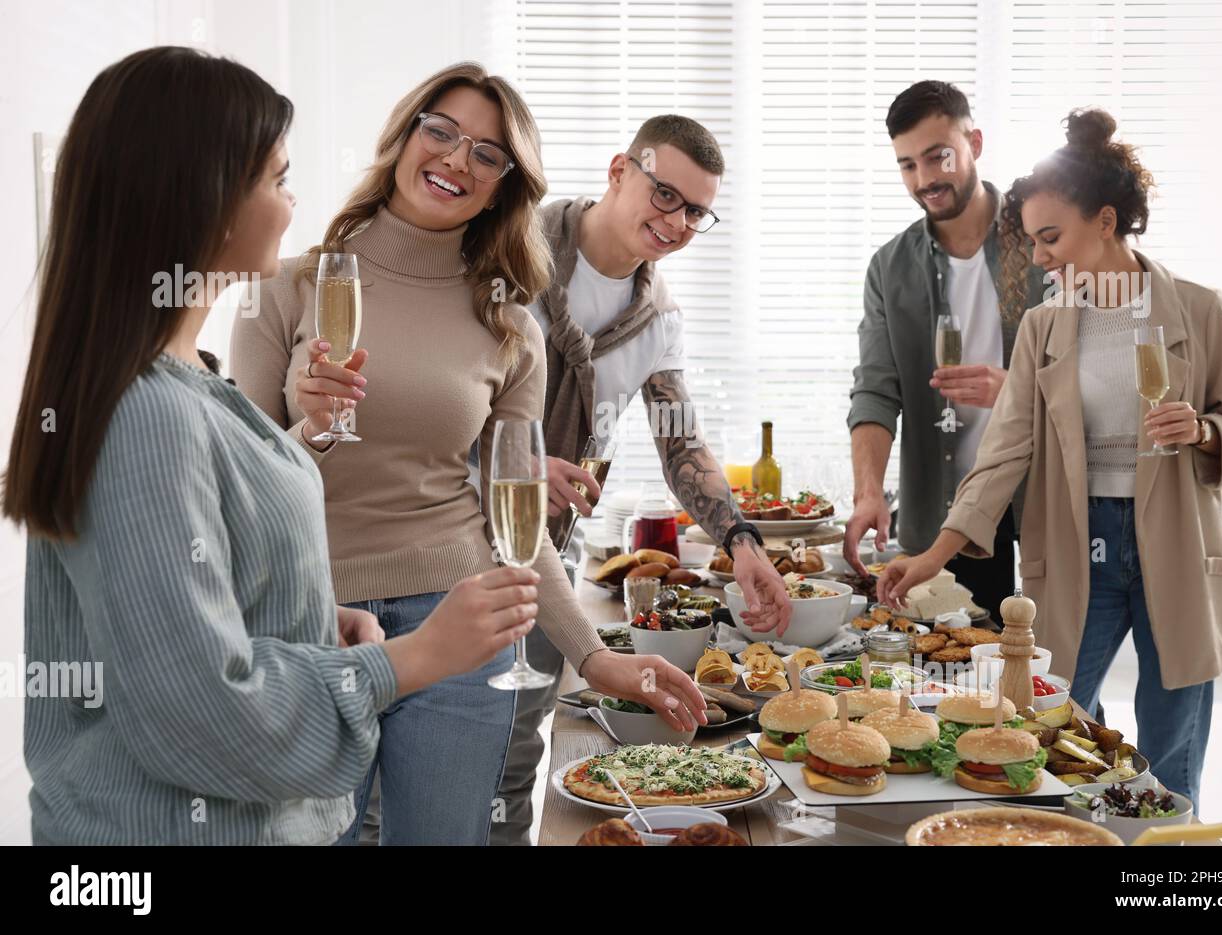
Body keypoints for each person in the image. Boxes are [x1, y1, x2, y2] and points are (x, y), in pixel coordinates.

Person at [6, 46, 541, 845]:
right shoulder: (148, 415)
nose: (293, 204)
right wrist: (408, 659)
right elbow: (199, 710)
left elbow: (194, 604)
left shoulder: (188, 384)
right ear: (209, 199)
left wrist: (308, 620)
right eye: (278, 179)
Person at [231, 62, 707, 845]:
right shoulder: (283, 288)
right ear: (404, 135)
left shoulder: (509, 325)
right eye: (441, 131)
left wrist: (594, 658)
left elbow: (514, 524)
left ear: (502, 187)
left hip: (461, 623)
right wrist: (307, 431)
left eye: (487, 154)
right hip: (310, 622)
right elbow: (240, 498)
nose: (457, 159)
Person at [878, 109, 1222, 812]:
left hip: (1180, 541)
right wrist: (934, 554)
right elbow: (1005, 451)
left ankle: (1169, 851)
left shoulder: (1200, 309)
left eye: (1051, 237)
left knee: (1172, 734)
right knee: (1048, 715)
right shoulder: (1043, 326)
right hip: (1079, 539)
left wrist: (1205, 431)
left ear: (1106, 221)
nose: (1039, 258)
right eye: (1031, 241)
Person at [489, 115, 793, 845]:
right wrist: (516, 468)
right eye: (666, 195)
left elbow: (680, 441)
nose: (678, 222)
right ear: (619, 170)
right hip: (450, 536)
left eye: (696, 211)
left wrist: (742, 542)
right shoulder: (509, 249)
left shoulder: (659, 319)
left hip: (546, 551)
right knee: (426, 759)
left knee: (514, 757)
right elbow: (440, 394)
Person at [844, 80, 1048, 623]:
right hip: (943, 518)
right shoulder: (890, 268)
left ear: (974, 143)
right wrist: (869, 493)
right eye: (908, 165)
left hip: (1042, 508)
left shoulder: (1044, 242)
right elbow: (875, 390)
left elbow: (1096, 373)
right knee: (951, 663)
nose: (924, 179)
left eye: (939, 157)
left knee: (1050, 664)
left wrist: (1016, 391)